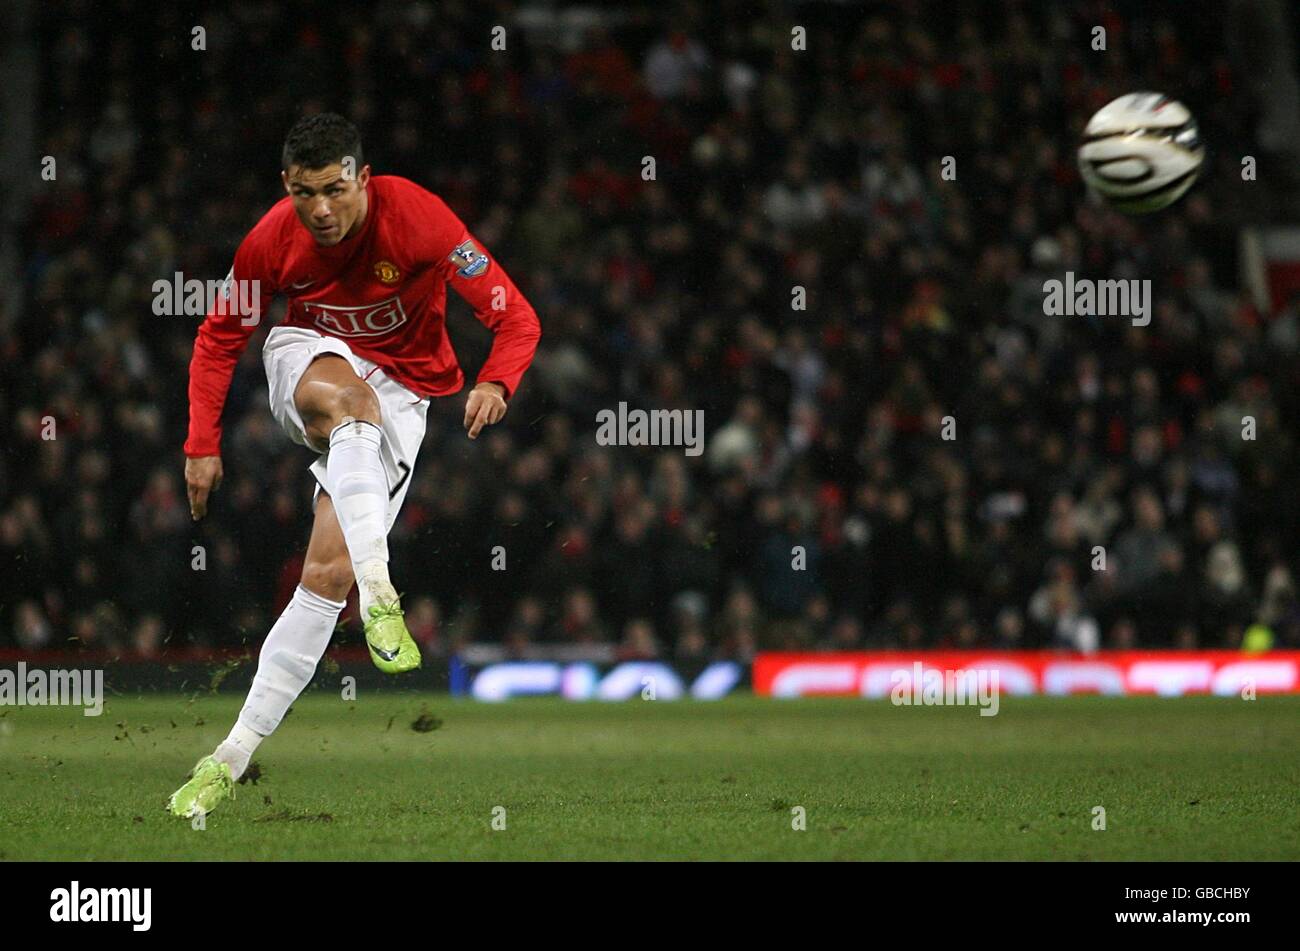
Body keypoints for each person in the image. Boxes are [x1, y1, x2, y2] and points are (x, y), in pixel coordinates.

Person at [167, 113, 540, 818]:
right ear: (287, 185)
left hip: (404, 392)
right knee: (348, 399)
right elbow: (220, 337)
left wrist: (496, 380)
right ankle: (383, 591)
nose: (322, 209)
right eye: (305, 192)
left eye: (336, 189)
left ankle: (226, 760)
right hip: (307, 358)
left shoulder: (421, 220)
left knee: (323, 575)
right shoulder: (273, 238)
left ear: (363, 179)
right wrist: (200, 443)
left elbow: (515, 317)